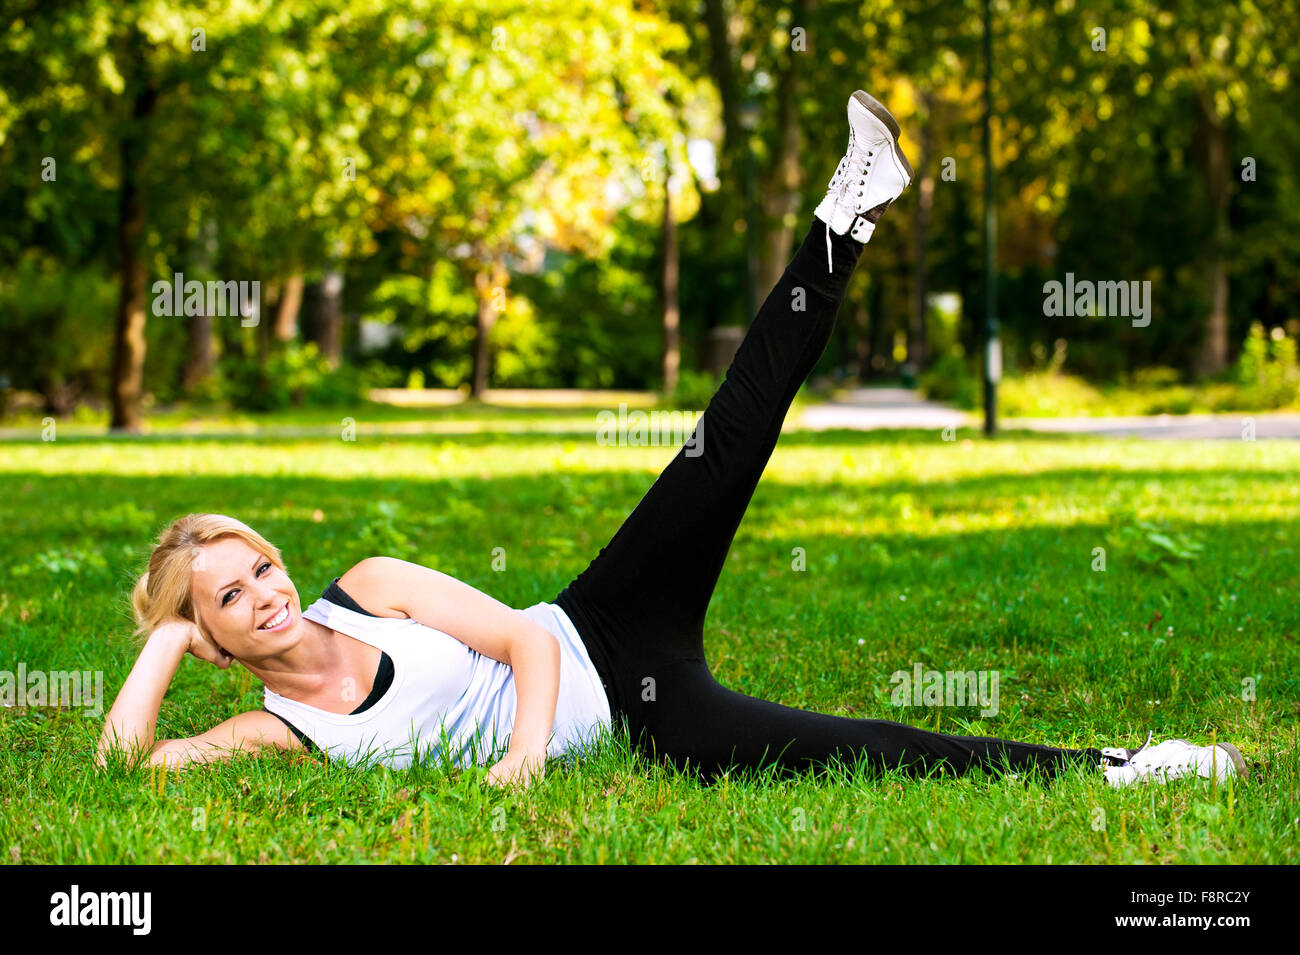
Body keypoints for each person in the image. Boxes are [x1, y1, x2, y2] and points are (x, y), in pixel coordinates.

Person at [98, 91, 1246, 792]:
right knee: (857, 746)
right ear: (211, 634)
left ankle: (849, 212)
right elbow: (124, 770)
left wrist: (523, 759)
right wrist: (161, 646)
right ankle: (1126, 766)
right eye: (230, 599)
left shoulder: (367, 587)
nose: (265, 591)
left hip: (600, 621)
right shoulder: (274, 728)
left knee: (726, 437)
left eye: (257, 565)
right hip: (645, 717)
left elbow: (523, 647)